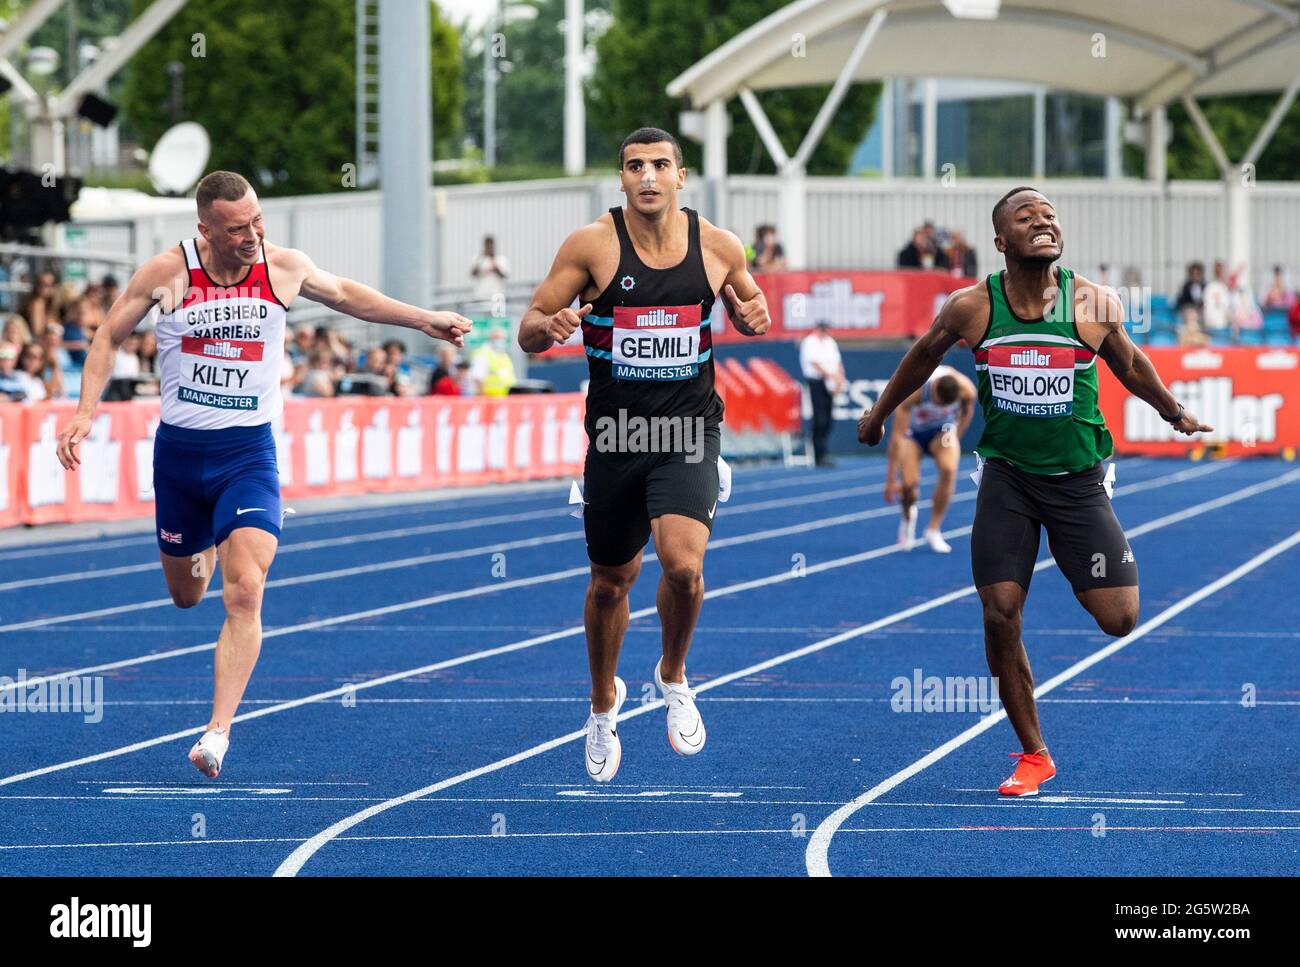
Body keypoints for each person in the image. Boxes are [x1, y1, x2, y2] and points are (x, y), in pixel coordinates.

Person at [55, 170, 471, 779]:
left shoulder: (281, 267)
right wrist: (85, 413)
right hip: (179, 459)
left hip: (247, 456)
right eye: (236, 228)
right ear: (205, 230)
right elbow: (107, 336)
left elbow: (349, 294)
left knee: (245, 589)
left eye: (257, 221)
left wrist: (422, 319)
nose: (252, 235)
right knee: (187, 593)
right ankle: (208, 548)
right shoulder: (167, 274)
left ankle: (217, 733)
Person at [858, 186, 1210, 797]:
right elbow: (922, 355)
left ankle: (1073, 566)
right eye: (1027, 218)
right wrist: (880, 411)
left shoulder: (1094, 303)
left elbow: (1129, 364)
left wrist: (1174, 412)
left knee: (1119, 619)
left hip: (1078, 482)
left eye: (1049, 216)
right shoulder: (972, 307)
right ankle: (1033, 753)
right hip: (1008, 478)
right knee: (999, 612)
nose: (1043, 223)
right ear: (1001, 241)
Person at [518, 126, 771, 782]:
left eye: (661, 165)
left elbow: (752, 301)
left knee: (683, 567)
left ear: (681, 176)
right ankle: (603, 704)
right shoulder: (592, 246)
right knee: (611, 581)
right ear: (622, 177)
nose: (649, 177)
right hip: (616, 437)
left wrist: (752, 315)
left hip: (688, 432)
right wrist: (551, 326)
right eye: (636, 166)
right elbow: (529, 329)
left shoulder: (717, 245)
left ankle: (674, 674)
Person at [885, 365, 975, 553]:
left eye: (945, 406)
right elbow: (897, 437)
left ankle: (933, 529)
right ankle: (908, 516)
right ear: (933, 390)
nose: (940, 407)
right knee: (909, 486)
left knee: (949, 469)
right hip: (913, 434)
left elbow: (967, 411)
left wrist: (956, 437)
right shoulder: (915, 391)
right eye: (938, 403)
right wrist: (891, 478)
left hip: (942, 431)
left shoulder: (966, 390)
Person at [799, 320, 846, 467]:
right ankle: (818, 455)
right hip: (817, 382)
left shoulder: (830, 342)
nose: (825, 333)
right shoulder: (810, 342)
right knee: (819, 418)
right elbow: (814, 363)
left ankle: (823, 452)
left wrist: (840, 379)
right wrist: (831, 376)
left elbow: (838, 362)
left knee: (828, 419)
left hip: (829, 383)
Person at [470, 327, 517, 396]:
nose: (500, 341)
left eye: (502, 338)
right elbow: (478, 378)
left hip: (504, 397)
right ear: (491, 338)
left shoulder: (503, 355)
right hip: (488, 398)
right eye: (497, 338)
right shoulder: (483, 354)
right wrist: (482, 398)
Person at [470, 235, 510, 305]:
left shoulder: (500, 259)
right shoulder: (478, 259)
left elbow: (504, 276)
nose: (488, 248)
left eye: (490, 245)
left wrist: (494, 262)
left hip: (497, 297)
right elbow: (473, 273)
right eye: (487, 246)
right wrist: (481, 259)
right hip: (480, 297)